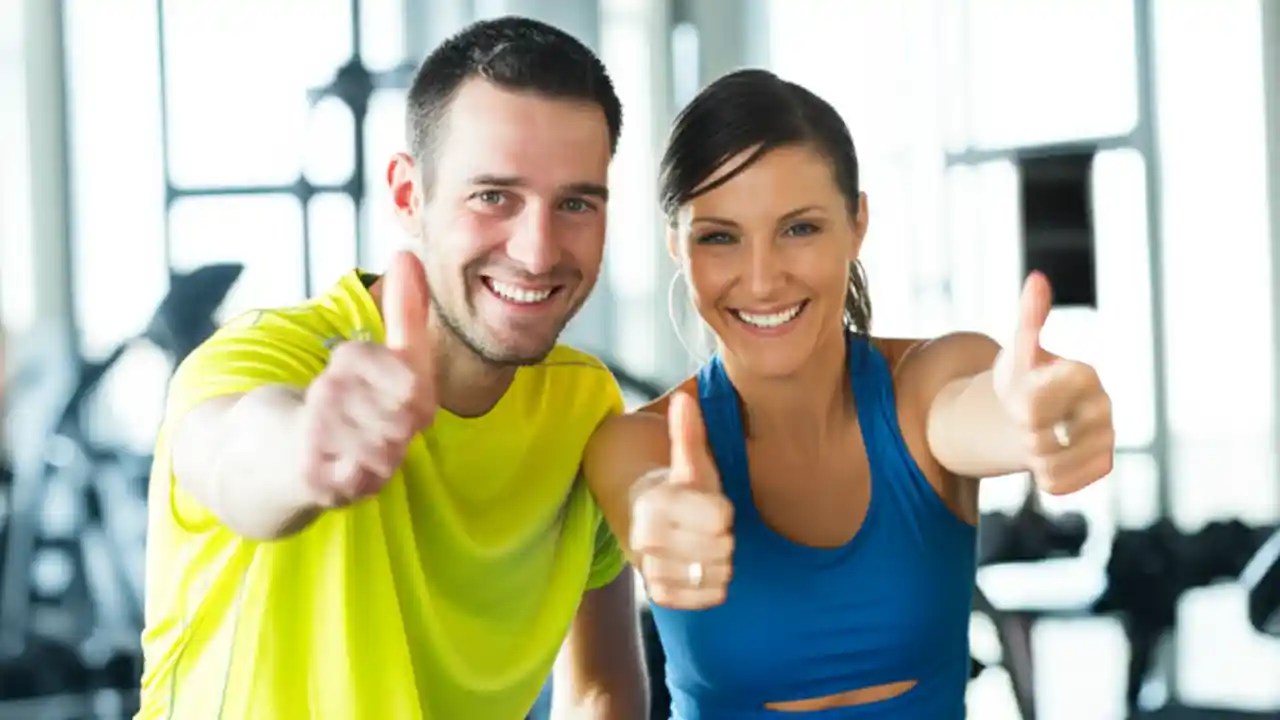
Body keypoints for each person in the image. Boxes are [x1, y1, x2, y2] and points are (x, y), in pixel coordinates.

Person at [137, 17, 648, 720]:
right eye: (493, 196)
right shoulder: (263, 359)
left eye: (576, 204)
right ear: (409, 196)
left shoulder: (583, 403)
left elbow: (600, 687)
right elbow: (232, 456)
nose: (537, 251)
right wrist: (304, 455)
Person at [584, 69, 1115, 719]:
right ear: (678, 248)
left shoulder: (927, 384)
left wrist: (1040, 418)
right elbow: (645, 495)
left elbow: (982, 411)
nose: (761, 279)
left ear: (856, 223)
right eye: (719, 237)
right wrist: (660, 517)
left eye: (799, 228)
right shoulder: (636, 443)